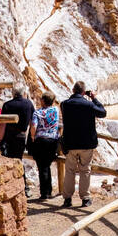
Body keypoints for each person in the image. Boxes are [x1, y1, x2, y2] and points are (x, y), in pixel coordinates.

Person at [59, 80, 106, 208]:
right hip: (86, 143)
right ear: (84, 92)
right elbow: (103, 112)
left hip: (70, 143)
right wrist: (94, 99)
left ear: (73, 90)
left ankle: (67, 199)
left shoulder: (64, 104)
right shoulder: (89, 105)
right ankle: (85, 198)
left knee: (69, 171)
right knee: (85, 170)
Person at [30, 93, 60, 200]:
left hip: (41, 141)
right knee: (47, 165)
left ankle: (44, 193)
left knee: (42, 167)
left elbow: (34, 126)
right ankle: (49, 191)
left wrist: (32, 136)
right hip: (53, 141)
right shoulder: (55, 110)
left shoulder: (37, 113)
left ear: (43, 100)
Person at [0, 86, 35, 161]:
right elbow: (32, 122)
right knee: (18, 160)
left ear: (13, 93)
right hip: (21, 136)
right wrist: (32, 137)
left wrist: (0, 139)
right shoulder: (29, 104)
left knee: (8, 160)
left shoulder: (7, 105)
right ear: (23, 93)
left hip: (8, 136)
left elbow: (3, 124)